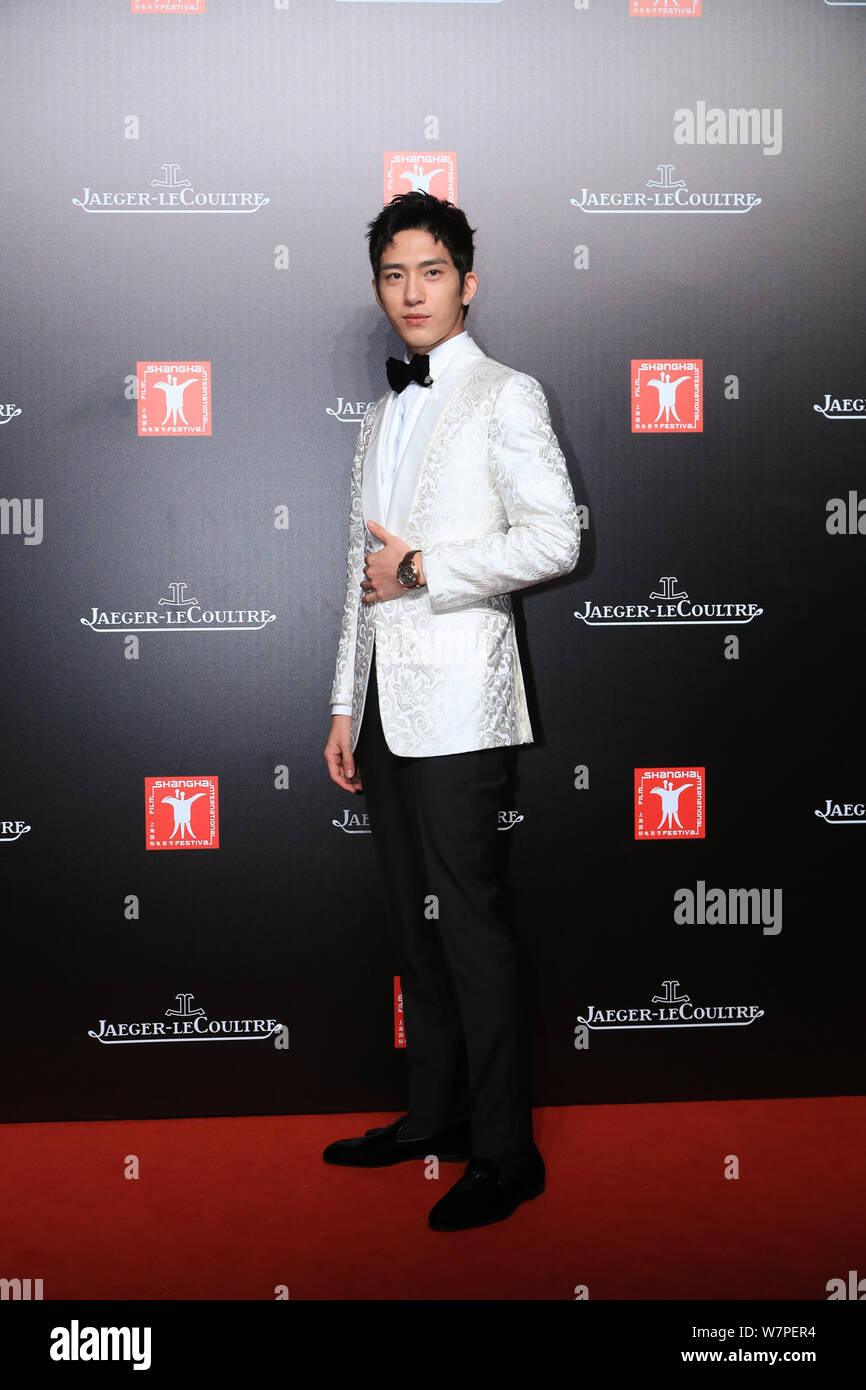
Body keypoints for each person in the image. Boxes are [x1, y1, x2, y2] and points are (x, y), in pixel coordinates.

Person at [323, 191, 580, 1231]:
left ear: (466, 282)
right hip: (383, 708)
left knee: (469, 927)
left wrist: (427, 565)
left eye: (430, 271)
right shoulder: (380, 415)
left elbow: (554, 540)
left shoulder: (506, 395)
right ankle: (427, 1114)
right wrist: (343, 702)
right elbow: (358, 573)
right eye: (393, 273)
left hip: (465, 709)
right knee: (411, 929)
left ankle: (505, 1152)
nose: (411, 291)